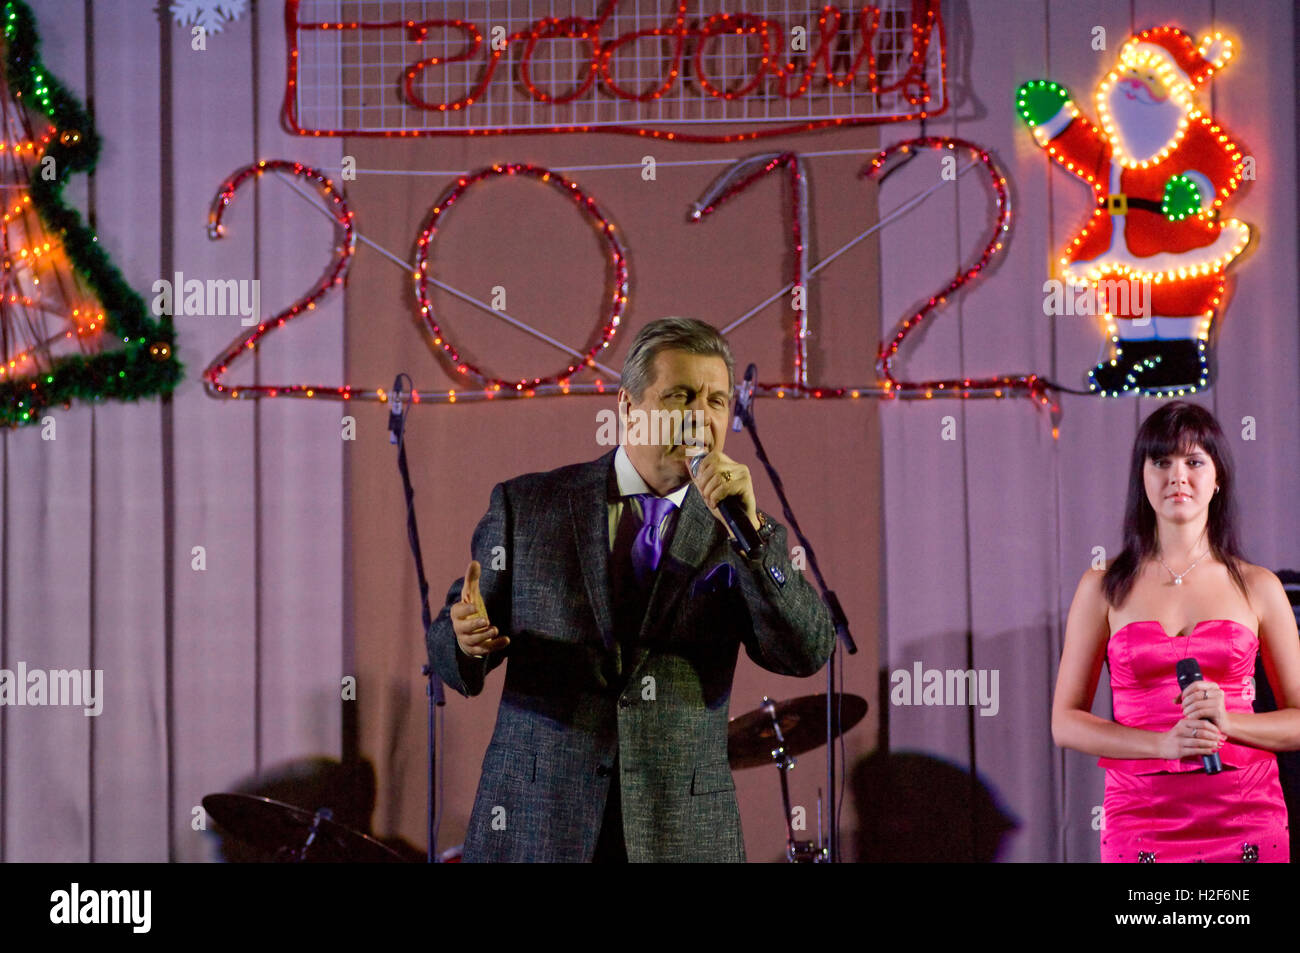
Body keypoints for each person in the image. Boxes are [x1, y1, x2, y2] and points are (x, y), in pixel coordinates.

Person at [427, 317, 835, 862]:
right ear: (627, 407)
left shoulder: (744, 532)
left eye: (715, 400)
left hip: (680, 835)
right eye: (680, 395)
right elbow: (451, 642)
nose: (699, 416)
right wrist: (462, 640)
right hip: (537, 825)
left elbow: (807, 650)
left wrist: (754, 539)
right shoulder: (530, 507)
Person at [1052, 401, 1300, 862]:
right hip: (1140, 815)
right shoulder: (1103, 586)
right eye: (1161, 461)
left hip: (1245, 813)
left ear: (1217, 476)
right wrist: (1161, 744)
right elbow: (1065, 722)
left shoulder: (1260, 586)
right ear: (1142, 477)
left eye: (1194, 461)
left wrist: (1230, 723)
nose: (1177, 476)